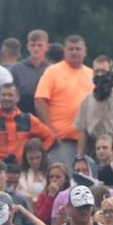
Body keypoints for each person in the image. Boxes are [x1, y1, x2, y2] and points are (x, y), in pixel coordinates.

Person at [34, 35, 94, 167]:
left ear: (85, 51)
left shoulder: (92, 74)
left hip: (88, 139)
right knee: (64, 177)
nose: (74, 52)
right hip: (62, 140)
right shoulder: (52, 71)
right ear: (65, 51)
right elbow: (39, 100)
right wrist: (50, 130)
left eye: (78, 49)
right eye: (70, 49)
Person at [0, 83, 55, 163]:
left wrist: (34, 157)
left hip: (19, 170)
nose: (6, 98)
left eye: (10, 95)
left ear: (17, 98)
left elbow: (50, 137)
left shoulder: (28, 119)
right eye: (4, 95)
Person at [75, 56, 113, 157]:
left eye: (103, 71)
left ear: (111, 72)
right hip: (93, 150)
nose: (99, 75)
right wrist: (79, 157)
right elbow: (83, 131)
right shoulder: (87, 99)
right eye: (97, 71)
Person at [11, 29, 49, 115]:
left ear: (47, 47)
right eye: (33, 45)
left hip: (45, 113)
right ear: (28, 46)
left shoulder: (51, 70)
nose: (36, 48)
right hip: (22, 115)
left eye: (39, 45)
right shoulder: (16, 69)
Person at [19, 138, 49, 210]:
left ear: (43, 156)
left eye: (38, 157)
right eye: (31, 158)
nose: (35, 161)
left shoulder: (50, 173)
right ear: (26, 158)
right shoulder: (20, 175)